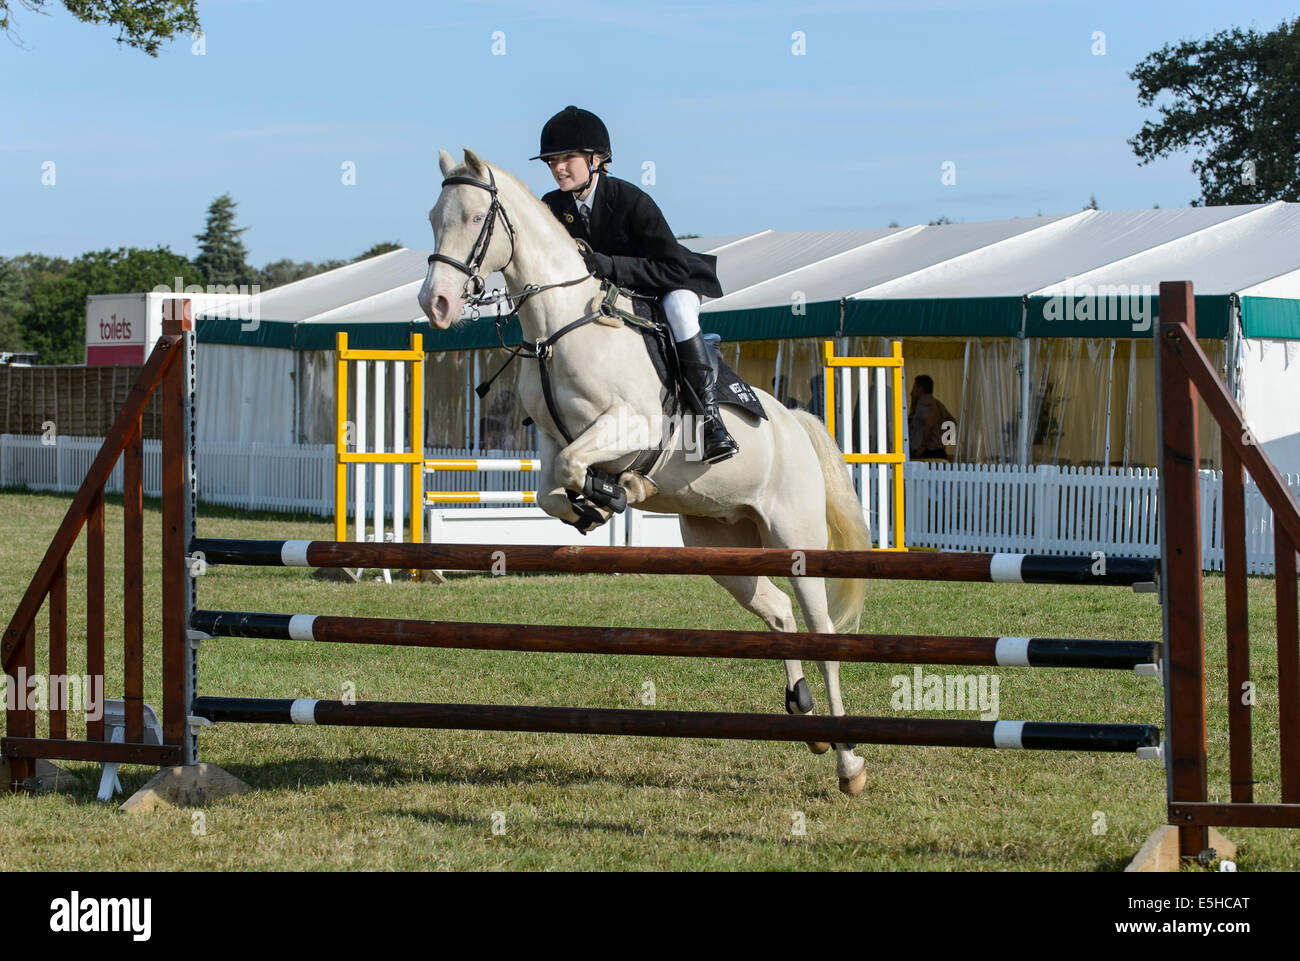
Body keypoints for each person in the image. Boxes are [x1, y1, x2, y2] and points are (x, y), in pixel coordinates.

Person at [532, 105, 738, 464]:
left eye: (567, 158)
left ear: (596, 159)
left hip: (670, 280)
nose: (558, 168)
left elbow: (671, 266)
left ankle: (710, 422)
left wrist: (610, 266)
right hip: (616, 295)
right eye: (551, 161)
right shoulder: (553, 205)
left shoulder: (630, 200)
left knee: (680, 311)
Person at [908, 375, 955, 459]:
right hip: (940, 452)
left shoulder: (923, 402)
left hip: (928, 453)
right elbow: (952, 422)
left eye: (914, 388)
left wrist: (923, 447)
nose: (911, 392)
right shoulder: (938, 404)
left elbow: (930, 424)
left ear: (920, 389)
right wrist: (943, 442)